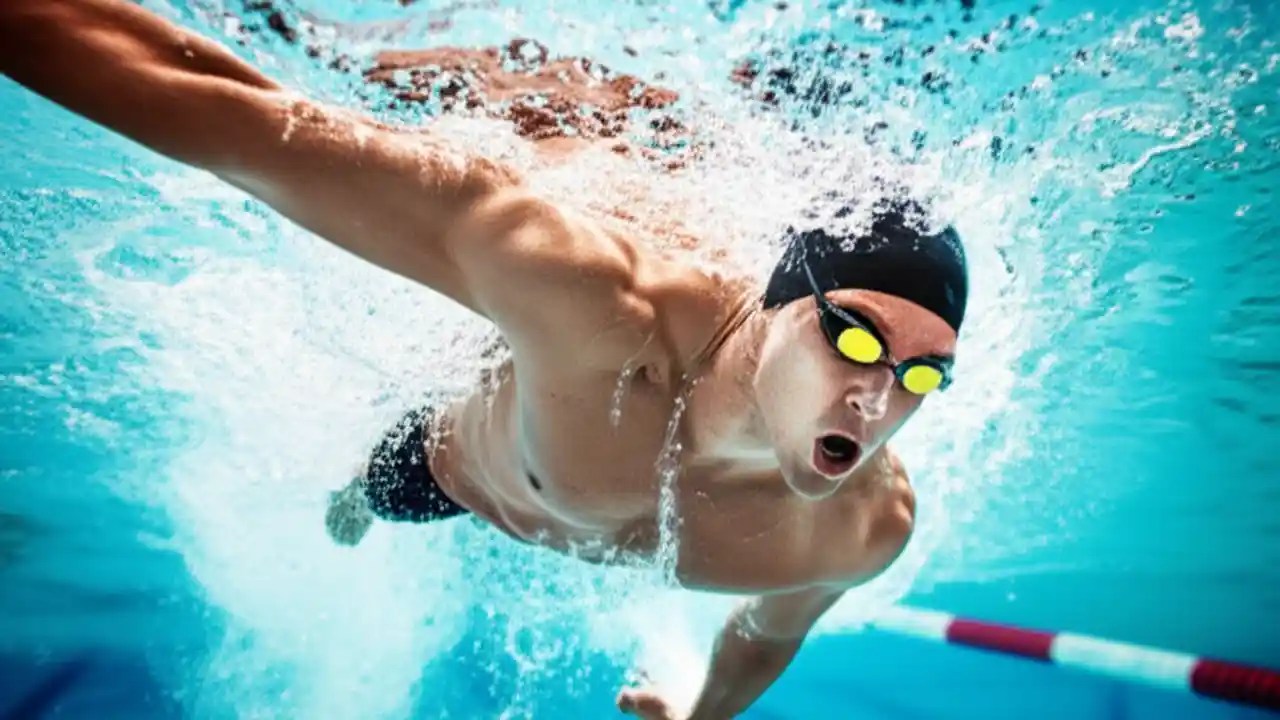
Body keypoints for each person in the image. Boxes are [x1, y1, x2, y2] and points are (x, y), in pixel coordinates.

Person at [1, 2, 968, 718]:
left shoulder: (866, 527)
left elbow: (766, 634)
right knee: (370, 497)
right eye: (852, 334)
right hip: (453, 470)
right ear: (772, 304)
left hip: (559, 481)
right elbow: (240, 121)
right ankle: (350, 496)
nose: (879, 393)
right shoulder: (591, 297)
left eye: (925, 372)